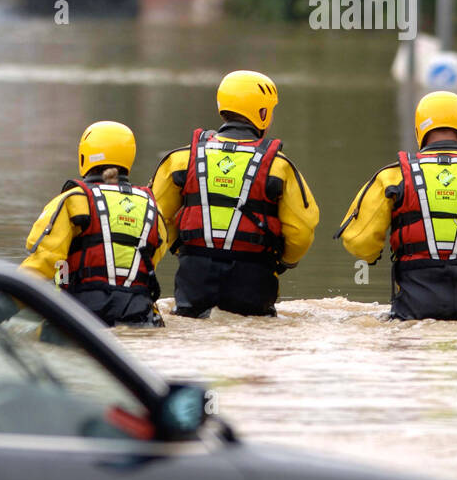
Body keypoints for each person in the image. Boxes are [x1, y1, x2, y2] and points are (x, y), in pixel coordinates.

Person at [336, 90, 457, 322]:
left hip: (413, 311)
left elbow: (359, 241)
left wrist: (370, 258)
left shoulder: (393, 177)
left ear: (420, 130)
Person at [150, 70, 318, 318]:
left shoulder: (181, 160)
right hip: (253, 281)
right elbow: (302, 229)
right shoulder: (279, 167)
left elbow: (153, 219)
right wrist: (285, 261)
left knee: (191, 320)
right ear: (262, 113)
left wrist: (180, 246)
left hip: (194, 278)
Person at [17, 120, 168, 328]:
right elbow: (153, 259)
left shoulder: (73, 200)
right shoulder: (153, 207)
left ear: (85, 155)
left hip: (83, 316)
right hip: (139, 316)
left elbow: (41, 264)